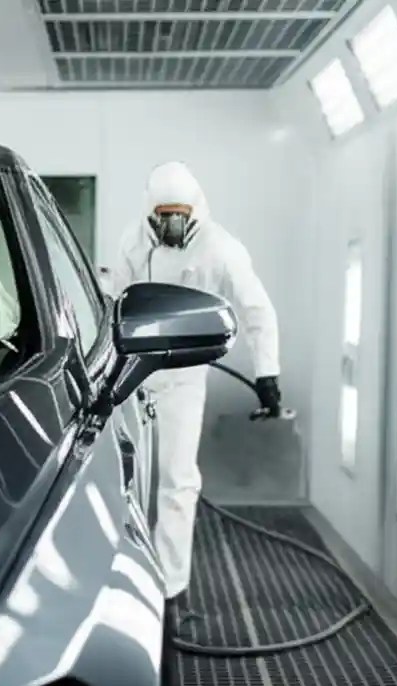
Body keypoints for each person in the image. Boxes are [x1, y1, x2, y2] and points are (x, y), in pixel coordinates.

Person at [109, 161, 284, 609]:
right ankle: (123, 575)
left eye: (178, 215)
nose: (171, 225)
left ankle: (171, 590)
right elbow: (115, 304)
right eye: (163, 215)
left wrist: (268, 374)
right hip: (135, 372)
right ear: (151, 213)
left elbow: (257, 311)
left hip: (185, 376)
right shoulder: (132, 242)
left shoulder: (221, 249)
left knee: (177, 479)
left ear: (195, 212)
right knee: (124, 475)